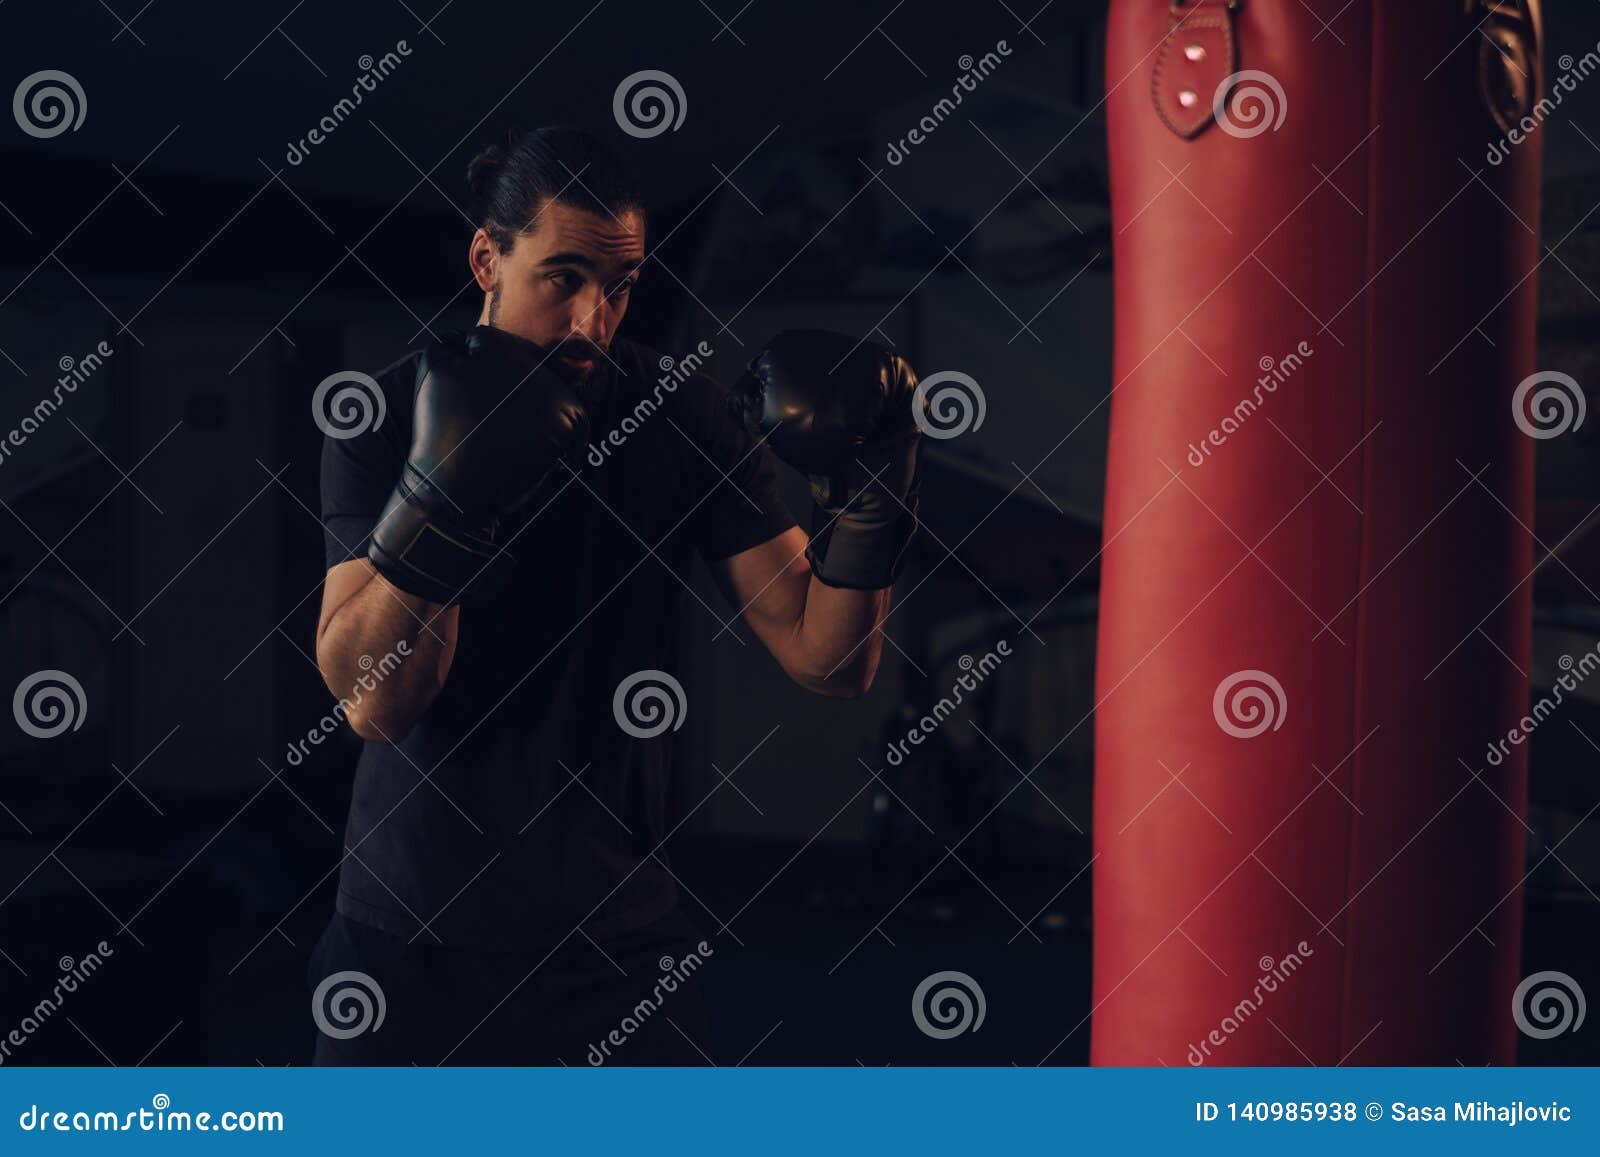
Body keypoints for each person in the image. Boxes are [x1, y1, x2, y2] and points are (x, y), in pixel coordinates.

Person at [309, 125, 925, 1064]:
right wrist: (441, 496)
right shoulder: (387, 419)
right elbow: (376, 703)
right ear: (488, 257)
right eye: (564, 278)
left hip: (617, 942)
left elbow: (830, 657)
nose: (595, 320)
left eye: (621, 286)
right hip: (411, 932)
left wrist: (879, 487)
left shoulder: (675, 416)